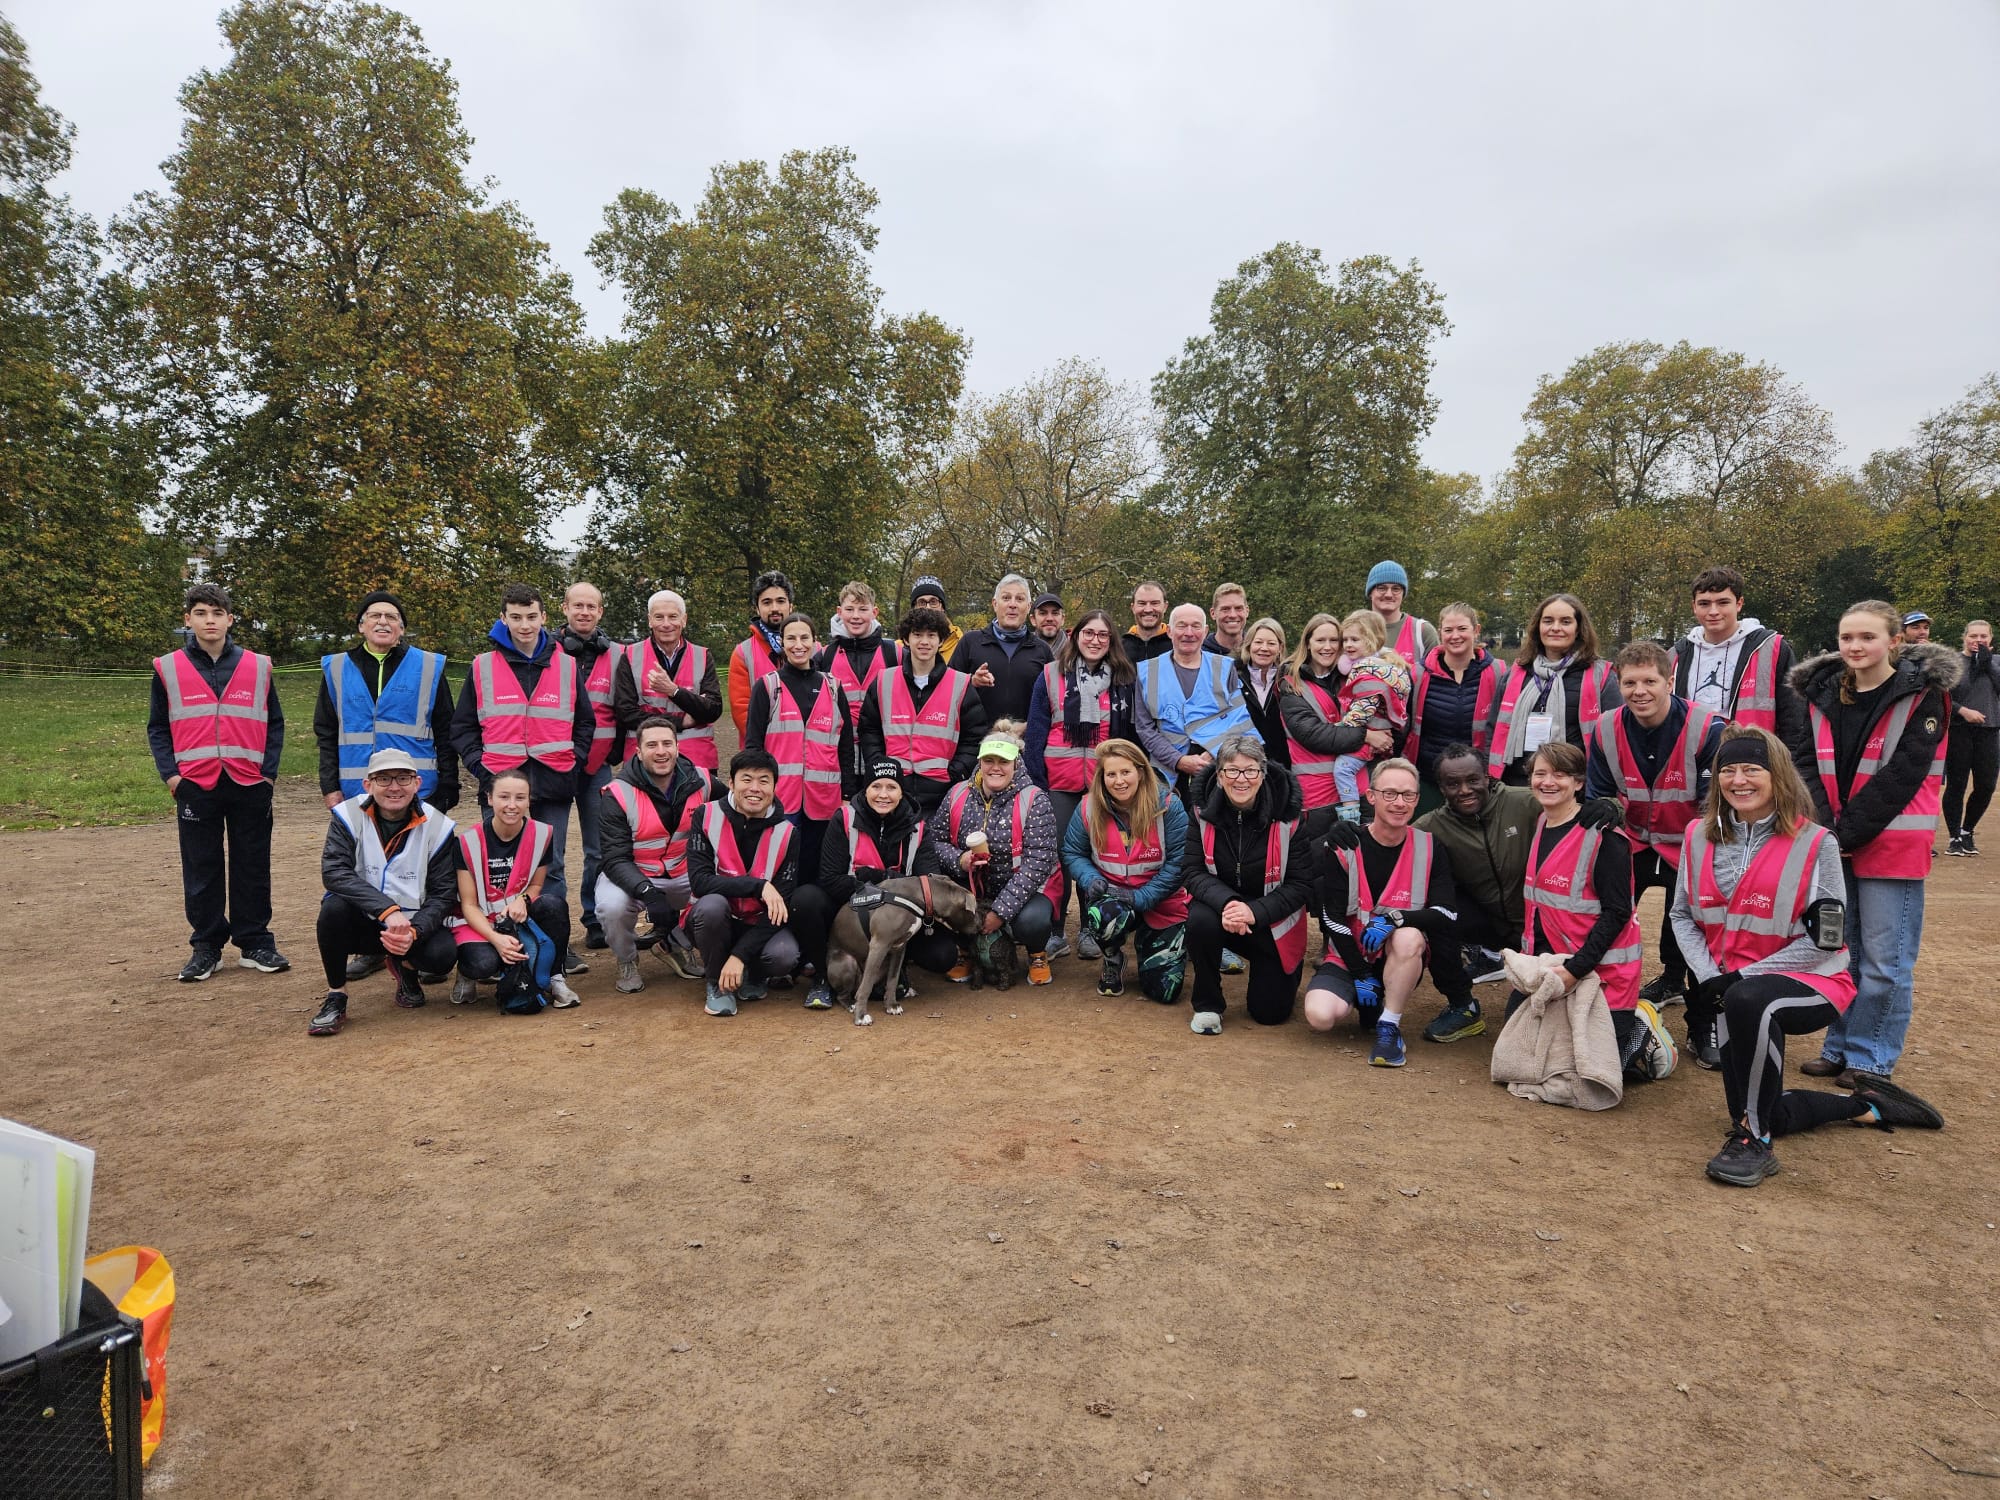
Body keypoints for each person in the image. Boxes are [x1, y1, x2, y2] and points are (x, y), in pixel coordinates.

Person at [1672, 727, 1943, 1189]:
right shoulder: (1698, 835)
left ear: (1777, 775)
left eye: (1751, 769)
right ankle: (1869, 1105)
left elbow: (1826, 942)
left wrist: (1739, 977)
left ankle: (1753, 1143)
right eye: (1728, 770)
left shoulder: (1817, 843)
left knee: (1749, 1005)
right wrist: (1708, 974)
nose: (1738, 780)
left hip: (1814, 982)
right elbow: (1682, 915)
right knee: (1764, 1106)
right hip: (1732, 988)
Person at [1789, 600, 1959, 1085]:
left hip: (1890, 845)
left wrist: (1846, 833)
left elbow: (1905, 772)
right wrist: (1827, 828)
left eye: (1867, 637)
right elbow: (1805, 761)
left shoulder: (1922, 695)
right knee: (1841, 952)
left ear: (1894, 641)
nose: (1855, 646)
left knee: (1886, 961)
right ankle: (1839, 1046)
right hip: (1834, 842)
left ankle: (1870, 1058)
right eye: (1847, 637)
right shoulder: (1821, 692)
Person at [1405, 743, 1625, 1044]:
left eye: (1473, 780)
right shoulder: (1432, 826)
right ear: (1441, 788)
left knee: (1551, 1029)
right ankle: (1462, 1006)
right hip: (1489, 923)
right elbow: (1392, 839)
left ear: (1488, 776)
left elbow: (1575, 805)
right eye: (1453, 784)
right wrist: (1350, 834)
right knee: (1437, 917)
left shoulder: (1525, 803)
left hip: (1542, 929)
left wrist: (1612, 806)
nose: (1465, 790)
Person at [1587, 640, 1725, 1063]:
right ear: (1618, 683)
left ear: (1670, 681)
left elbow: (1715, 801)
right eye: (1630, 683)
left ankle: (1704, 1023)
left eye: (1649, 681)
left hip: (1690, 842)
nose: (1639, 691)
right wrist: (1609, 818)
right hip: (1631, 840)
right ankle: (1599, 1012)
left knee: (1698, 929)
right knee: (1602, 918)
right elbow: (1598, 794)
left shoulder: (1708, 727)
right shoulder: (1605, 728)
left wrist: (1701, 851)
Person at [148, 582, 289, 982]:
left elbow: (274, 723)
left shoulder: (258, 666)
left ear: (230, 620)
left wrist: (268, 775)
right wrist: (172, 776)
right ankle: (207, 947)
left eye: (216, 613)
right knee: (201, 867)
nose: (209, 621)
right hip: (195, 784)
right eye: (201, 614)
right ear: (188, 619)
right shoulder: (168, 667)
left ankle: (255, 941)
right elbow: (158, 727)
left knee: (252, 864)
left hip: (249, 782)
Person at [1510, 741, 1675, 1080]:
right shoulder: (1541, 822)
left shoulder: (1604, 836)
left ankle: (1641, 1029)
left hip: (1601, 974)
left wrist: (1575, 969)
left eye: (1560, 775)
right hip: (1550, 967)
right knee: (1525, 1058)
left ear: (1579, 783)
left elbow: (1617, 914)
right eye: (1540, 774)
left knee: (1590, 1075)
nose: (1548, 782)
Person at [1302, 758, 1459, 1067]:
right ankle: (1364, 1001)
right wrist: (1360, 973)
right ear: (1371, 797)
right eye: (1390, 793)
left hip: (1396, 956)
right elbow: (1332, 917)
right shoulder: (1345, 843)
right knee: (1319, 1016)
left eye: (1408, 795)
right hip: (1348, 956)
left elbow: (1447, 913)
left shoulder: (1430, 847)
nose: (1399, 803)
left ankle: (1389, 1025)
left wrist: (1396, 919)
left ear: (1417, 799)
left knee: (1409, 937)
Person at [451, 583, 594, 908]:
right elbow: (462, 727)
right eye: (516, 617)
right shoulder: (482, 666)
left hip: (555, 776)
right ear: (503, 619)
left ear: (544, 617)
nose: (525, 625)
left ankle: (552, 934)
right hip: (499, 778)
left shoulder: (567, 665)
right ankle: (497, 930)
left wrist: (577, 759)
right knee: (498, 864)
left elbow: (585, 722)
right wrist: (479, 765)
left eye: (531, 616)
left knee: (551, 864)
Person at [307, 749, 460, 1035]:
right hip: (364, 921)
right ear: (368, 785)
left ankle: (406, 968)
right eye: (383, 779)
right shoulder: (347, 815)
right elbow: (334, 872)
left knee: (442, 956)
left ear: (417, 783)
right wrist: (388, 911)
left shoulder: (439, 825)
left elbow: (443, 893)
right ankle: (336, 995)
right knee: (333, 910)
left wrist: (413, 931)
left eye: (403, 778)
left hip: (412, 924)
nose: (394, 787)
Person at [789, 757, 955, 1010]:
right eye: (876, 786)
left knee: (943, 955)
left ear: (902, 792)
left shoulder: (919, 827)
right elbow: (831, 879)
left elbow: (930, 885)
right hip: (850, 913)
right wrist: (892, 887)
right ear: (865, 789)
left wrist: (876, 877)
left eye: (892, 787)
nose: (883, 795)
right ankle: (823, 976)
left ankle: (893, 972)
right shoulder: (844, 819)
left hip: (898, 917)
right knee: (805, 900)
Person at [1024, 608, 1137, 961]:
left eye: (1103, 635)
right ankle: (1056, 931)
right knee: (1058, 857)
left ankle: (1090, 928)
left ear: (1111, 640)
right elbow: (1037, 730)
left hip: (1104, 785)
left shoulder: (1123, 679)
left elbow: (1127, 734)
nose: (1095, 640)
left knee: (1097, 856)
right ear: (1076, 636)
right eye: (1089, 633)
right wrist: (1038, 784)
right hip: (1058, 783)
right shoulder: (1050, 675)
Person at [1182, 733, 1312, 1033]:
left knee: (1269, 1014)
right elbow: (1191, 870)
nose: (1241, 779)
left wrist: (1253, 912)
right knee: (1199, 920)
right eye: (1232, 770)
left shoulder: (1290, 817)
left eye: (1250, 770)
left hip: (1270, 920)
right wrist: (1230, 904)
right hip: (1221, 912)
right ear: (1219, 775)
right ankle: (1207, 1004)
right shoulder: (1200, 812)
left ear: (1263, 774)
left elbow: (1301, 884)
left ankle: (1284, 972)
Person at [931, 723, 1063, 986]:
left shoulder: (1035, 799)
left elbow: (1037, 865)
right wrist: (959, 860)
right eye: (989, 760)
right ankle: (967, 952)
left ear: (1016, 763)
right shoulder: (957, 794)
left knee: (1032, 922)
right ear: (979, 762)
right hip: (973, 887)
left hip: (1026, 889)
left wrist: (1000, 913)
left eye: (1003, 761)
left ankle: (1037, 953)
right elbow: (935, 841)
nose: (995, 768)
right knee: (946, 902)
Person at [1062, 738, 1189, 1002]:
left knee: (1164, 993)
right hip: (1113, 899)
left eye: (1125, 772)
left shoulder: (1169, 806)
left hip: (1162, 902)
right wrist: (1090, 879)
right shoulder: (1088, 807)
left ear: (1140, 772)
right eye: (1111, 774)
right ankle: (1112, 958)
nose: (1119, 781)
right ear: (1102, 777)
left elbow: (1180, 864)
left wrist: (1141, 898)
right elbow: (1073, 852)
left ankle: (1149, 944)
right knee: (1103, 916)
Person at [446, 766, 581, 1010]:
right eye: (504, 797)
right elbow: (468, 904)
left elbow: (536, 884)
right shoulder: (466, 842)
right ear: (489, 798)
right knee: (483, 964)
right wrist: (496, 939)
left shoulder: (542, 834)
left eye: (520, 798)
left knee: (554, 905)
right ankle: (467, 973)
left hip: (516, 915)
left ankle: (555, 977)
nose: (512, 805)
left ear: (529, 800)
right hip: (478, 920)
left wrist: (523, 900)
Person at [596, 716, 713, 994]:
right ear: (638, 752)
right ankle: (627, 959)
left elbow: (736, 806)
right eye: (652, 745)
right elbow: (614, 858)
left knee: (722, 894)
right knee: (611, 907)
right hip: (635, 875)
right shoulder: (617, 793)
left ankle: (674, 943)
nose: (661, 751)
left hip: (684, 872)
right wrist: (647, 892)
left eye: (667, 744)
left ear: (677, 748)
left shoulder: (702, 781)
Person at [684, 748, 804, 1016]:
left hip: (756, 924)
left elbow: (780, 907)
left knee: (784, 955)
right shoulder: (706, 815)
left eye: (764, 781)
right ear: (731, 782)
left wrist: (739, 955)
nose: (755, 788)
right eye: (746, 779)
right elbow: (700, 882)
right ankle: (716, 982)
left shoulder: (788, 833)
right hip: (714, 922)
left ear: (775, 787)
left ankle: (753, 972)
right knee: (712, 906)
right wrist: (758, 886)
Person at [314, 590, 457, 812]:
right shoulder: (337, 668)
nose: (383, 621)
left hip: (417, 791)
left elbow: (446, 730)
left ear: (402, 628)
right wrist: (330, 786)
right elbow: (326, 733)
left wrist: (448, 784)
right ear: (361, 626)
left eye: (391, 617)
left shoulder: (428, 666)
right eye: (375, 615)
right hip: (356, 791)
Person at [744, 611, 855, 881]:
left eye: (804, 638)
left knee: (817, 871)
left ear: (815, 641)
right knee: (780, 868)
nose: (798, 645)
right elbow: (753, 747)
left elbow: (846, 748)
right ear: (781, 642)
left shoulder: (833, 687)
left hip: (824, 800)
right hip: (781, 798)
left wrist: (847, 794)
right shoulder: (767, 687)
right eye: (791, 638)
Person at [859, 606, 989, 817]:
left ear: (941, 640)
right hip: (892, 793)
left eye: (931, 635)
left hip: (942, 796)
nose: (924, 642)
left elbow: (975, 738)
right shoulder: (884, 681)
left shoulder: (961, 684)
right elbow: (868, 730)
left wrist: (955, 773)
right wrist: (880, 767)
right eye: (917, 635)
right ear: (906, 639)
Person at [1487, 592, 1622, 784]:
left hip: (1572, 786)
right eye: (1548, 621)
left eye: (1565, 622)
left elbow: (1615, 736)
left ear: (1578, 629)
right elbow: (1493, 730)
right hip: (1516, 785)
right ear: (1538, 627)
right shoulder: (1515, 674)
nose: (1555, 628)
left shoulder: (1601, 676)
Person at [559, 581, 625, 956]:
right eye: (578, 606)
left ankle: (594, 919)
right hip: (553, 764)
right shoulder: (548, 650)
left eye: (591, 607)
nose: (584, 612)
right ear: (565, 609)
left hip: (597, 765)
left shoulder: (617, 654)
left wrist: (614, 751)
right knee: (551, 852)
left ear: (600, 612)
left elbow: (624, 705)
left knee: (599, 847)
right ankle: (554, 926)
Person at [1135, 604, 1257, 804]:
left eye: (1196, 626)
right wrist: (1178, 761)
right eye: (1182, 626)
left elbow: (1239, 720)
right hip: (1166, 773)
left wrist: (1212, 754)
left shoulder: (1224, 667)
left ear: (1205, 631)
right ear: (1169, 631)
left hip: (1218, 768)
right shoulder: (1148, 672)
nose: (1189, 633)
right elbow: (1145, 728)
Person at [1669, 566, 1800, 736]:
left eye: (1723, 602)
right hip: (1693, 750)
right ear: (1694, 606)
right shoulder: (1676, 655)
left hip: (1753, 750)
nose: (1713, 611)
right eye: (1704, 604)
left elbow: (1794, 717)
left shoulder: (1772, 648)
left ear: (1739, 604)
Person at [1280, 612, 1387, 813]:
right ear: (1308, 643)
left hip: (1361, 788)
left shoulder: (1354, 675)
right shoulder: (1292, 683)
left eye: (1334, 640)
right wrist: (1367, 736)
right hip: (1317, 795)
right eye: (1320, 640)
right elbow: (1312, 734)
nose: (1327, 647)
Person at [614, 589, 723, 773]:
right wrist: (681, 722)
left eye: (673, 617)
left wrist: (674, 691)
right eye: (659, 617)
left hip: (696, 761)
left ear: (684, 620)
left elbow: (713, 709)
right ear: (650, 620)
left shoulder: (703, 656)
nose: (666, 624)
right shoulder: (630, 656)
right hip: (644, 762)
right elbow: (626, 713)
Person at [1327, 610, 1412, 823]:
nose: (1348, 645)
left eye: (1355, 639)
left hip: (1371, 731)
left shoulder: (1367, 670)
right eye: (1345, 639)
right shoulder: (1386, 667)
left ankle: (1350, 815)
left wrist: (1341, 727)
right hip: (1382, 732)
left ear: (1372, 639)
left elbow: (1364, 708)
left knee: (1343, 768)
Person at [1405, 603, 1500, 787]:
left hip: (1480, 780)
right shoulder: (1418, 674)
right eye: (1448, 630)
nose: (1455, 636)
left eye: (1462, 629)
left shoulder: (1499, 672)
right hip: (1428, 778)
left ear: (1476, 630)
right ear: (1440, 633)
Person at [954, 573, 1055, 724]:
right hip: (976, 737)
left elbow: (1053, 702)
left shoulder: (1042, 650)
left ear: (1028, 607)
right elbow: (947, 691)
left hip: (1025, 736)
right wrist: (971, 682)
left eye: (1019, 599)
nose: (1012, 604)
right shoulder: (970, 642)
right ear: (995, 604)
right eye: (1006, 598)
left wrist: (1029, 728)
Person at [816, 582, 900, 760]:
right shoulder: (825, 656)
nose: (856, 616)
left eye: (862, 609)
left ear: (874, 612)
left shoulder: (895, 653)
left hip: (885, 754)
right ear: (839, 612)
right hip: (839, 756)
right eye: (849, 609)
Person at [1946, 619, 1999, 855]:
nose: (1978, 640)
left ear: (1991, 639)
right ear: (1964, 638)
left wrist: (1987, 664)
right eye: (1973, 636)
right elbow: (1941, 696)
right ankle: (1954, 837)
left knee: (1986, 785)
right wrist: (1963, 711)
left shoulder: (1996, 662)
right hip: (1959, 730)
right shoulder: (1952, 662)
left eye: (1983, 636)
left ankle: (1967, 830)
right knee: (1957, 784)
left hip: (1989, 729)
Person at [727, 570, 794, 741]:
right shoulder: (743, 653)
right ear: (757, 608)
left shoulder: (813, 649)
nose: (774, 608)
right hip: (760, 750)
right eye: (767, 602)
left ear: (791, 606)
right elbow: (742, 711)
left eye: (780, 601)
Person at [1237, 618, 1292, 768]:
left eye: (1271, 643)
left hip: (1282, 766)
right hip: (1242, 766)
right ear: (1249, 645)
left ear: (1280, 648)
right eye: (1258, 642)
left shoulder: (1290, 680)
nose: (1264, 648)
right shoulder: (1232, 677)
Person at [1363, 560, 1439, 664]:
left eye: (1396, 589)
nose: (1389, 595)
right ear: (1370, 593)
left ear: (1403, 594)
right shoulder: (1353, 629)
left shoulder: (1422, 632)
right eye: (1381, 588)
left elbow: (1437, 671)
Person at [906, 576, 963, 661]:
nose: (928, 607)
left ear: (942, 607)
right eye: (922, 602)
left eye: (933, 602)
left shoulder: (961, 643)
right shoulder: (898, 649)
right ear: (914, 607)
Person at [1125, 579, 1172, 663]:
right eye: (1142, 603)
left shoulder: (1177, 646)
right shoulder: (1118, 648)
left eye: (1155, 603)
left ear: (1165, 607)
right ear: (1133, 608)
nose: (1148, 610)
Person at [1202, 583, 1250, 656]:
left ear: (1247, 611)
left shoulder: (1256, 652)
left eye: (1238, 608)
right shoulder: (1200, 654)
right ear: (1213, 613)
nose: (1233, 615)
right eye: (1225, 609)